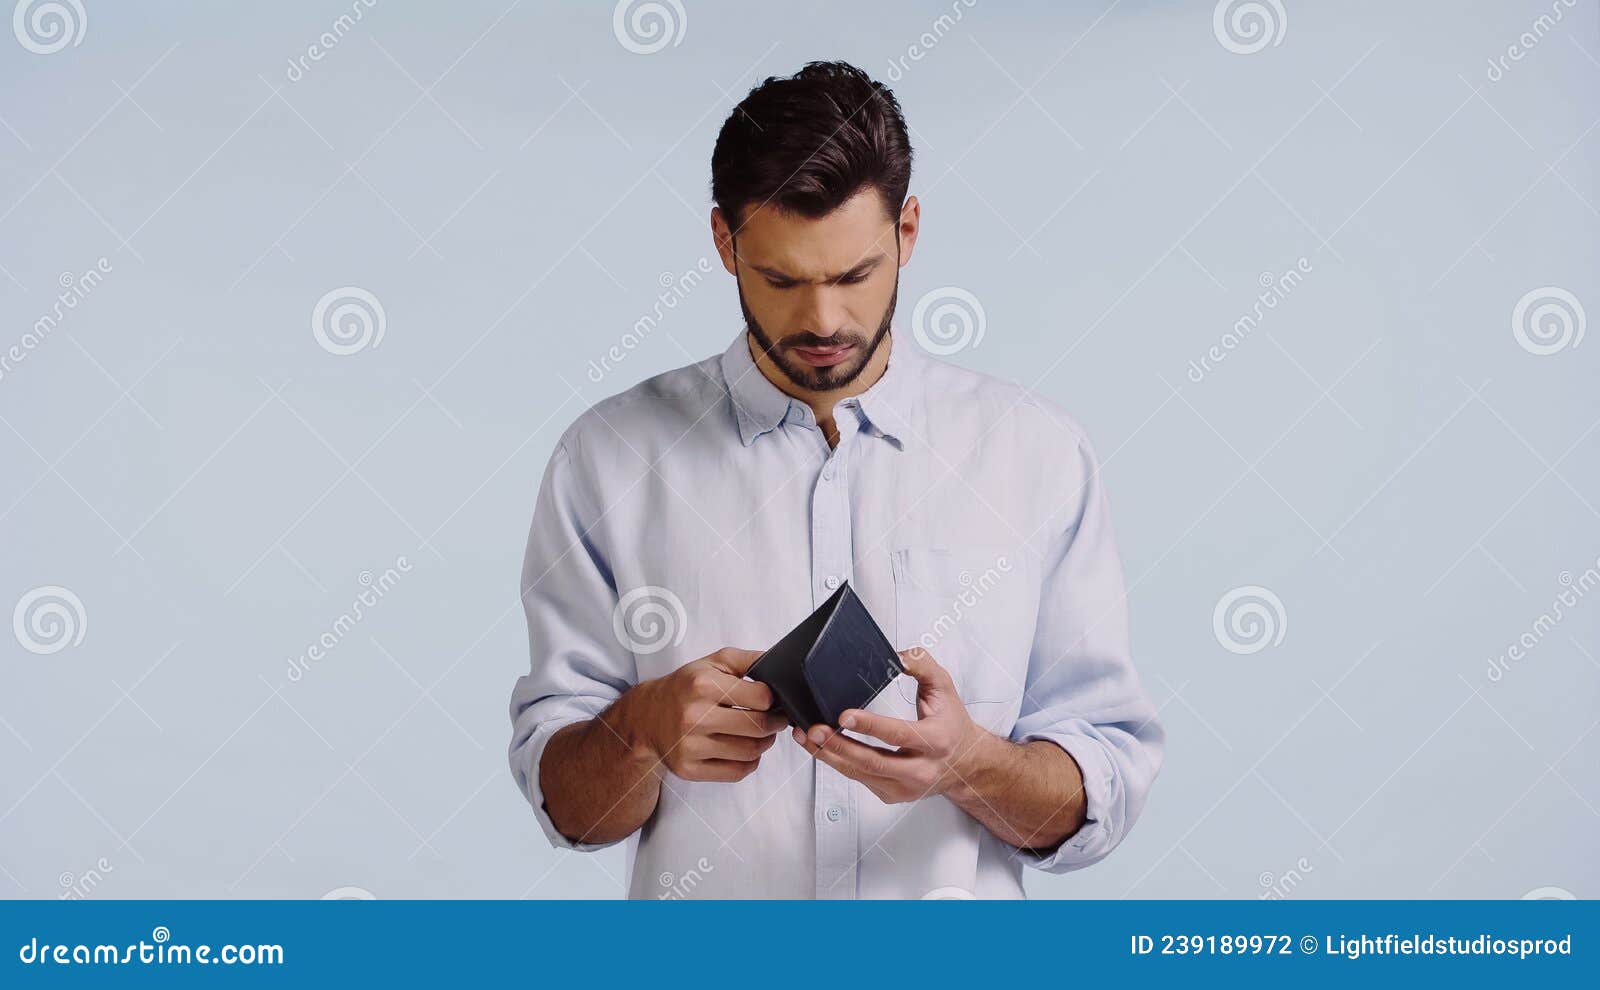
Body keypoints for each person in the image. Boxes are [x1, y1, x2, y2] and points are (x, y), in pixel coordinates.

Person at [508, 60, 1163, 899]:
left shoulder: (1036, 454)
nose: (822, 320)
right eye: (782, 280)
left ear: (909, 232)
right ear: (723, 242)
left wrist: (967, 765)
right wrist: (639, 732)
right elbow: (567, 808)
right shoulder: (607, 459)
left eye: (855, 276)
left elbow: (1099, 795)